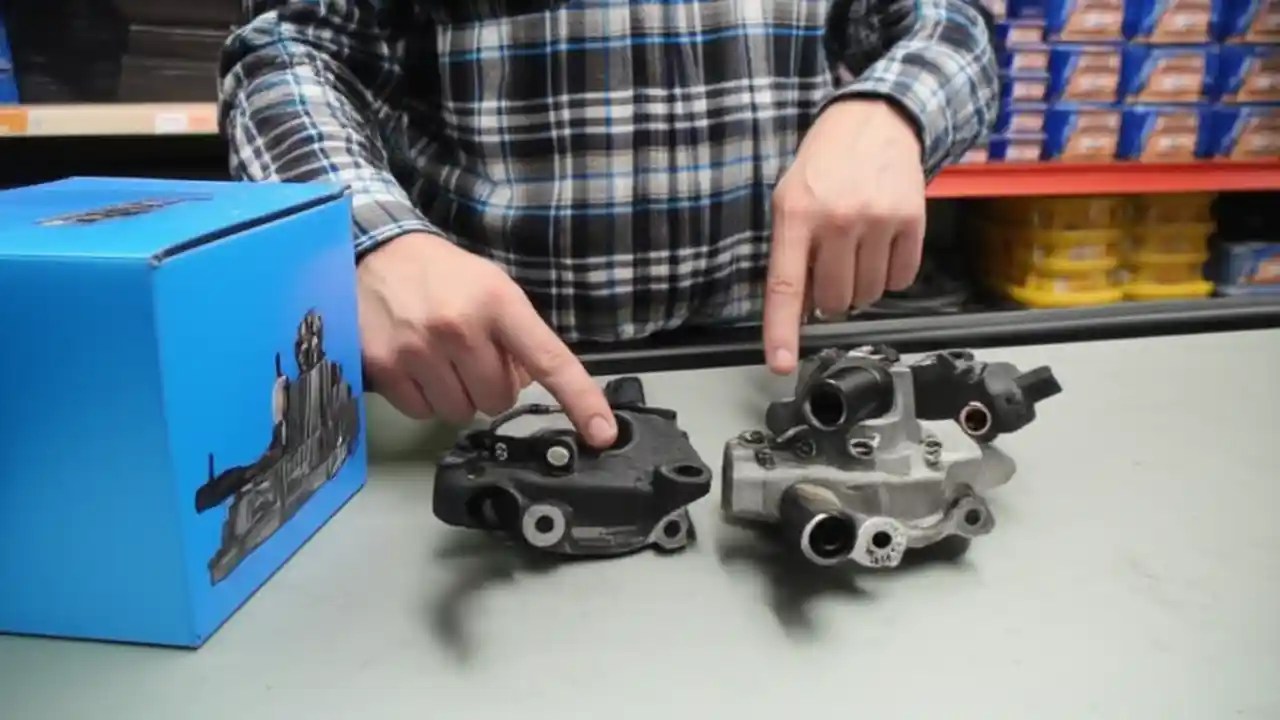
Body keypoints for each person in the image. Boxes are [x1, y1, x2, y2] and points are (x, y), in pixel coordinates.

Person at [219, 0, 997, 449]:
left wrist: (893, 106)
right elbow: (288, 48)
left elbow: (949, 21)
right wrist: (369, 233)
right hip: (475, 390)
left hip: (764, 379)